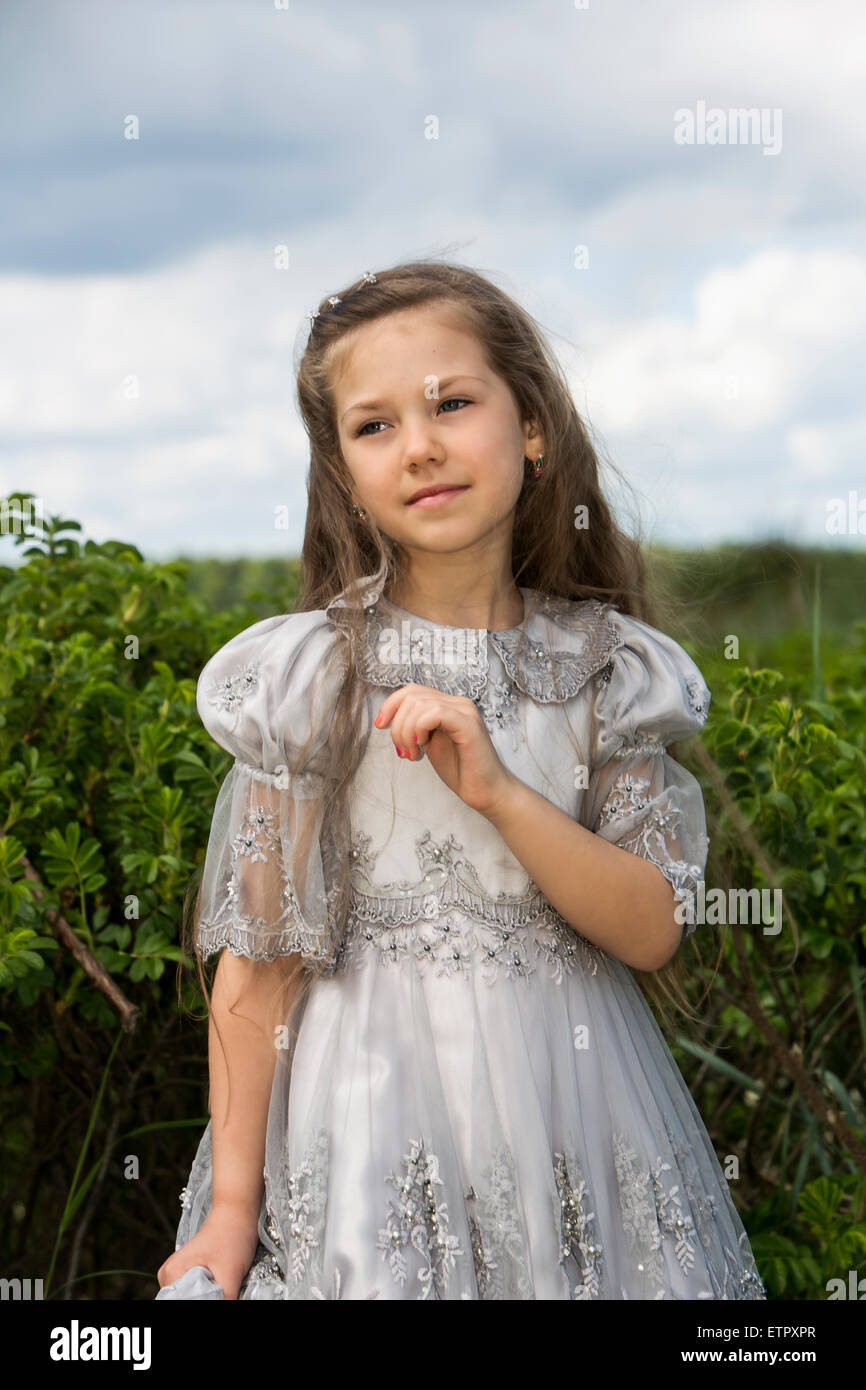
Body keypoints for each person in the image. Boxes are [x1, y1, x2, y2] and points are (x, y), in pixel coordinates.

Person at [155, 260, 766, 1301]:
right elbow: (257, 973)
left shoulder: (603, 669)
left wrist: (500, 790)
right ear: (342, 473)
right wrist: (229, 1212)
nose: (422, 445)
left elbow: (649, 924)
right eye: (374, 425)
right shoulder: (315, 679)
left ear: (530, 427)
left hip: (573, 1106)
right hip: (366, 1126)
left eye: (450, 402)